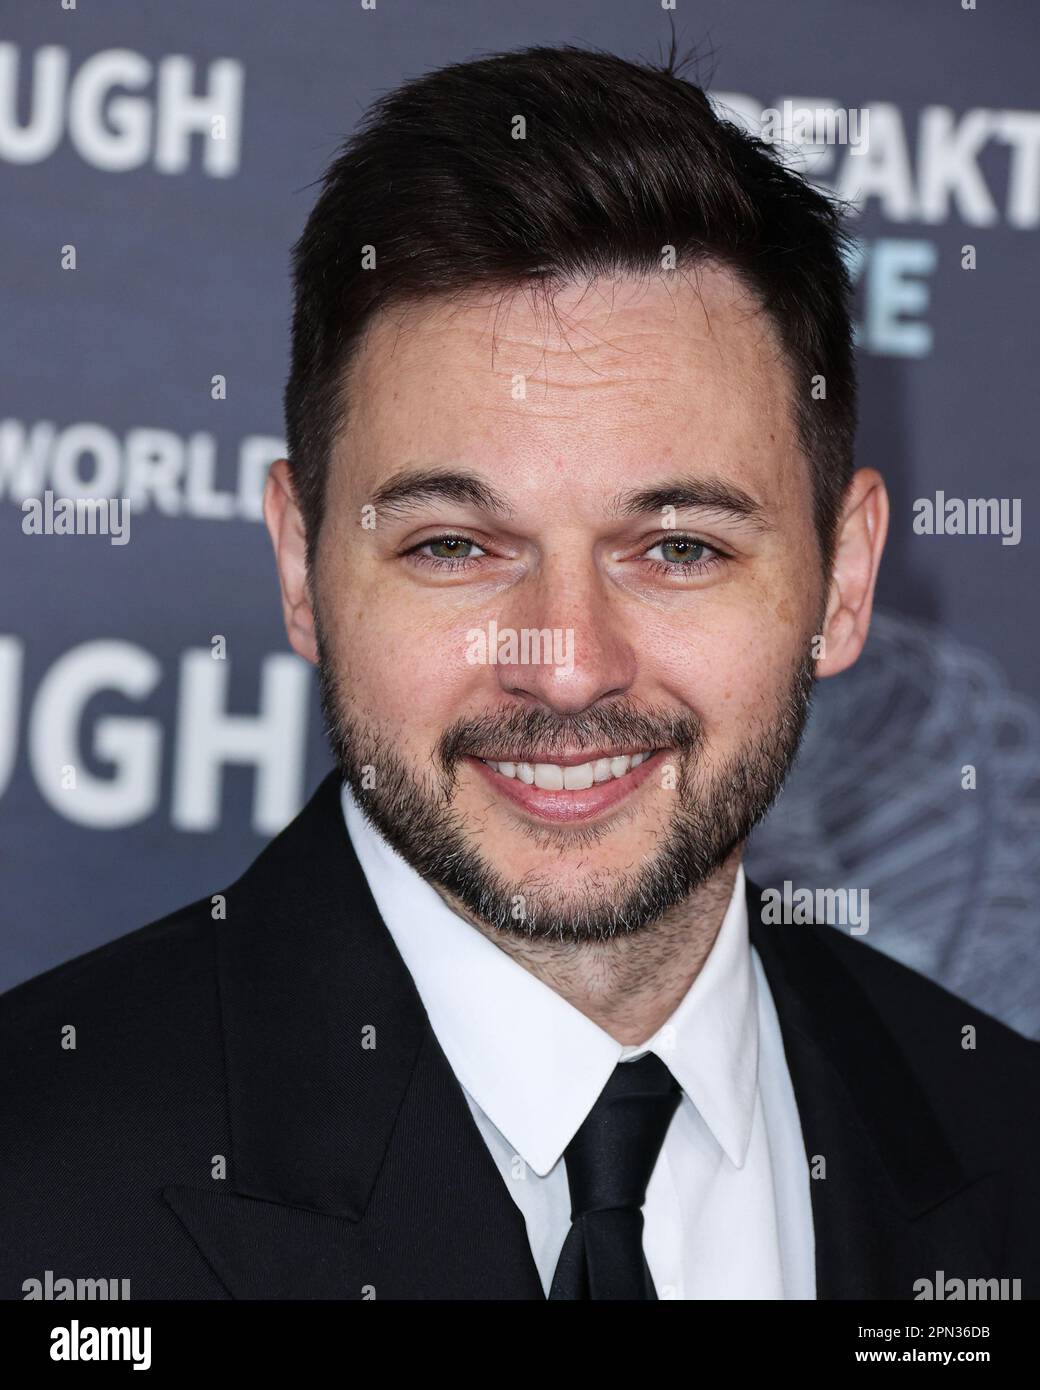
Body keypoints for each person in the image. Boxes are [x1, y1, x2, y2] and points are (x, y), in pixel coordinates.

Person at [2, 43, 1036, 1302]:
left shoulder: (1004, 1150)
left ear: (842, 579)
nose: (565, 668)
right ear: (297, 565)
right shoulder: (35, 1180)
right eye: (453, 545)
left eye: (674, 547)